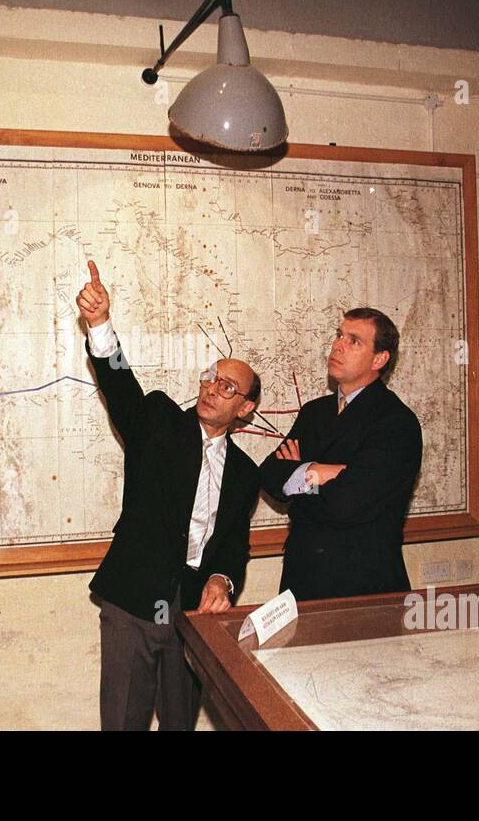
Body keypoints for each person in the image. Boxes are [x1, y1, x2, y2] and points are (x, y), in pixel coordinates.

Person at [76, 260, 262, 731]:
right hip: (133, 602)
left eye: (227, 386)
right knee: (124, 722)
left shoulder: (244, 473)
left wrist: (223, 580)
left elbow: (235, 546)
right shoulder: (159, 422)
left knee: (180, 724)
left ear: (245, 408)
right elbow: (121, 390)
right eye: (209, 377)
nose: (211, 388)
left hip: (192, 616)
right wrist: (101, 325)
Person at [259, 308, 422, 600]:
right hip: (301, 579)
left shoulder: (396, 422)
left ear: (379, 359)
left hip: (362, 588)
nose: (338, 345)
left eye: (354, 340)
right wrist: (324, 471)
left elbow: (344, 504)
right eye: (339, 335)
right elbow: (270, 475)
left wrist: (298, 474)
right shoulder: (314, 411)